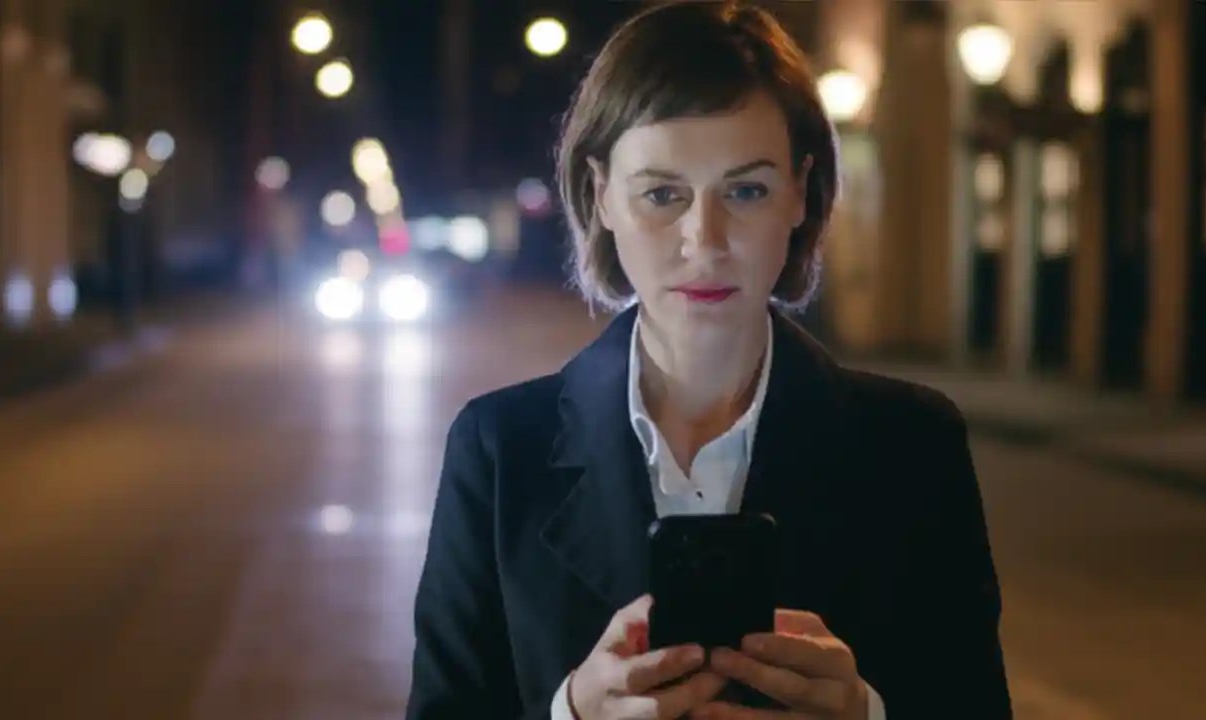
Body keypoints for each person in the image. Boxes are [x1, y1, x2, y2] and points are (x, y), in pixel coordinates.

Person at [405, 2, 1012, 718]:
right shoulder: (501, 451)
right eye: (662, 194)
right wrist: (570, 713)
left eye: (746, 190)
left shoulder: (913, 446)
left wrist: (866, 714)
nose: (705, 238)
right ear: (602, 195)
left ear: (799, 193)